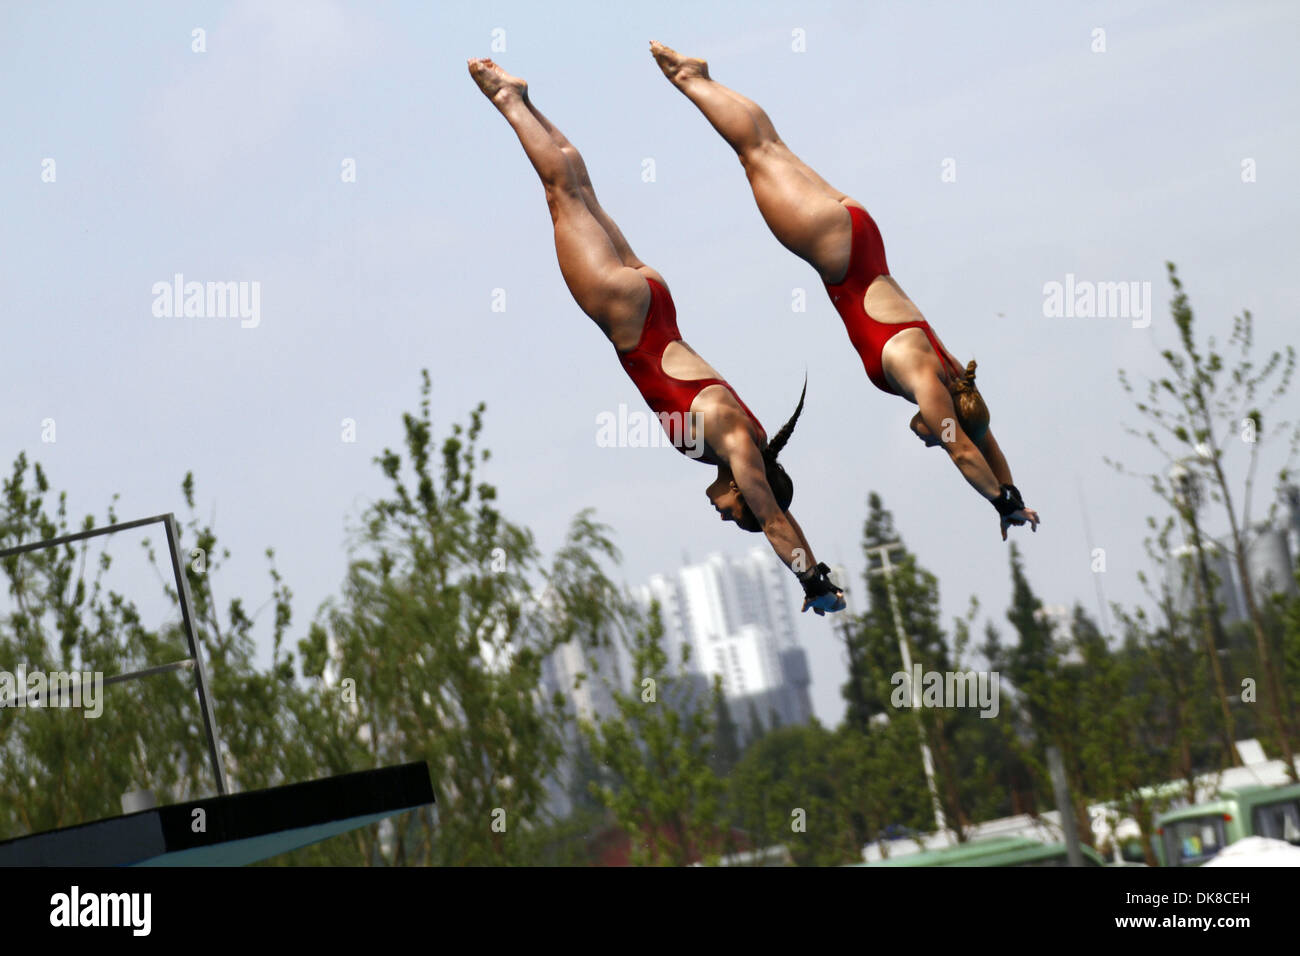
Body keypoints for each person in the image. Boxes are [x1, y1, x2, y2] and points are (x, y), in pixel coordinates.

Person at [468, 58, 844, 612]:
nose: (720, 512)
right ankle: (507, 99)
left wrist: (817, 574)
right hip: (627, 316)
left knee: (581, 191)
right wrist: (813, 583)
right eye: (732, 513)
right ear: (747, 491)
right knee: (562, 195)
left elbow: (777, 513)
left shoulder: (749, 438)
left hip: (654, 301)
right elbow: (774, 519)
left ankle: (525, 100)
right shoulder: (739, 449)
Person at [650, 42, 1039, 541]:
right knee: (755, 154)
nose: (927, 441)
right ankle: (688, 80)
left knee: (770, 147)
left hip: (858, 235)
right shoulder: (927, 382)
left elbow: (983, 440)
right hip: (832, 249)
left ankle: (701, 78)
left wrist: (1013, 491)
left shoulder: (950, 375)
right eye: (935, 437)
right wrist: (1002, 504)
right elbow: (963, 448)